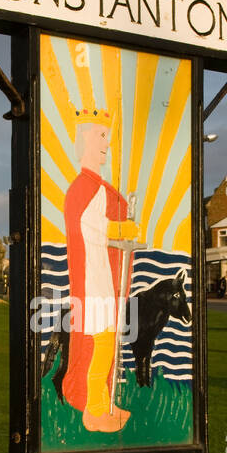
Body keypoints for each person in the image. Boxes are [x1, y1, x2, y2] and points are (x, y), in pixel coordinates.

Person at [62, 110, 140, 433]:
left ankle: (104, 402)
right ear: (84, 140)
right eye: (101, 135)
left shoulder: (95, 187)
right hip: (91, 281)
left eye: (107, 135)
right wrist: (121, 227)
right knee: (97, 344)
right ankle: (93, 411)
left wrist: (120, 228)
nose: (106, 143)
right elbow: (90, 229)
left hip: (102, 278)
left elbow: (98, 227)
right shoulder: (83, 187)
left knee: (106, 342)